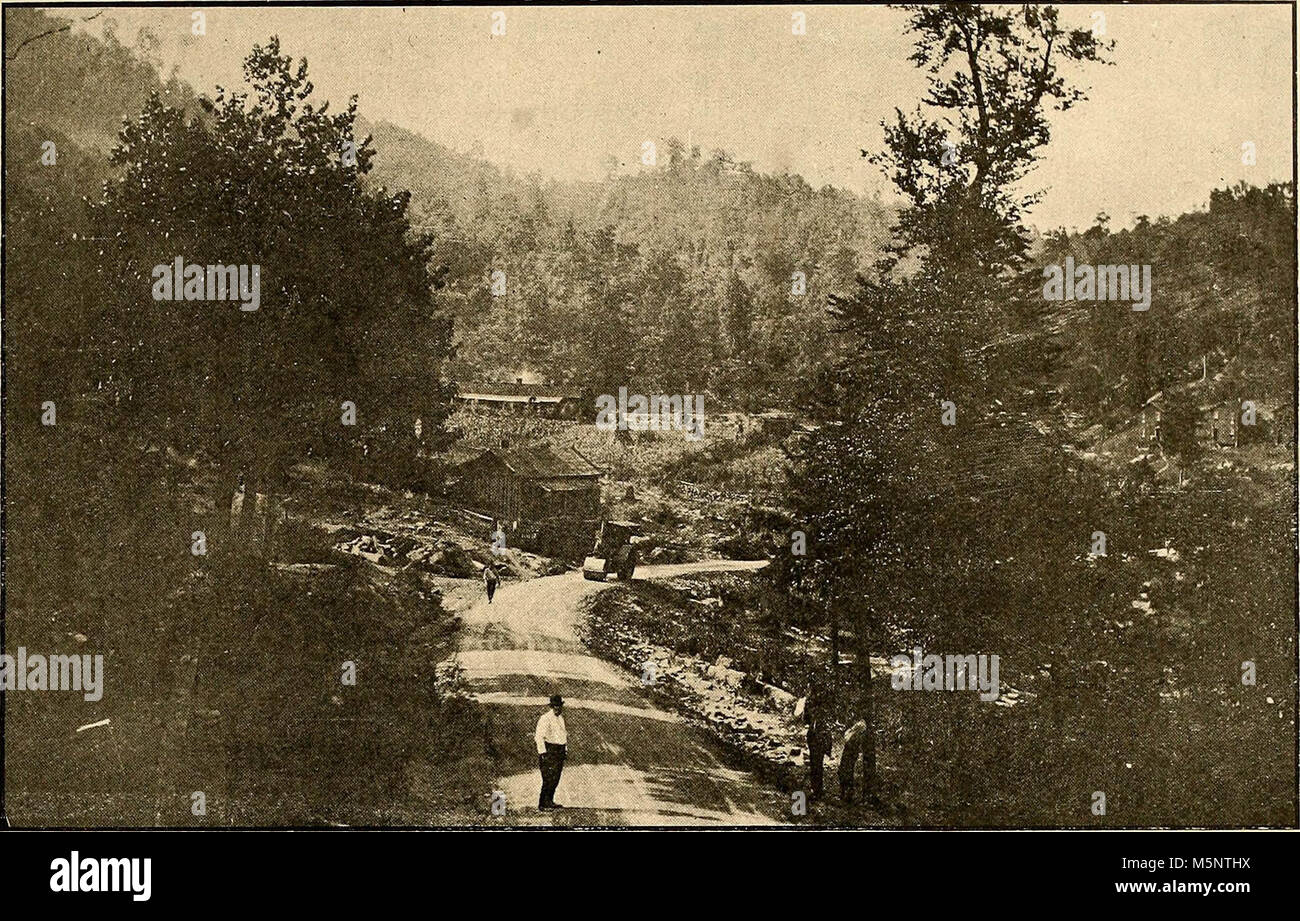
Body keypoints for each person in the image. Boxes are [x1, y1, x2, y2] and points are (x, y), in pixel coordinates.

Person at [535, 694, 568, 809]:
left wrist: (565, 750)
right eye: (555, 706)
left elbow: (563, 735)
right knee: (548, 778)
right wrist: (542, 753)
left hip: (559, 751)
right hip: (549, 751)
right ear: (552, 706)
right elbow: (539, 736)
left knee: (556, 778)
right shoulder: (545, 718)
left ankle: (550, 800)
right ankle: (542, 803)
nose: (557, 708)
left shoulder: (561, 718)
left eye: (559, 706)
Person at [802, 676, 831, 801]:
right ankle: (817, 789)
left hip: (818, 736)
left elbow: (806, 719)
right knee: (816, 764)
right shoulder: (820, 705)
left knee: (816, 764)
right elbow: (806, 719)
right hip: (818, 736)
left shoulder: (815, 705)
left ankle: (817, 790)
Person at [839, 719, 869, 801]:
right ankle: (846, 793)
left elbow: (847, 739)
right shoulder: (854, 735)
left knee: (846, 773)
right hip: (849, 756)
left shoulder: (854, 736)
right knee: (845, 772)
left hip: (849, 756)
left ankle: (847, 794)